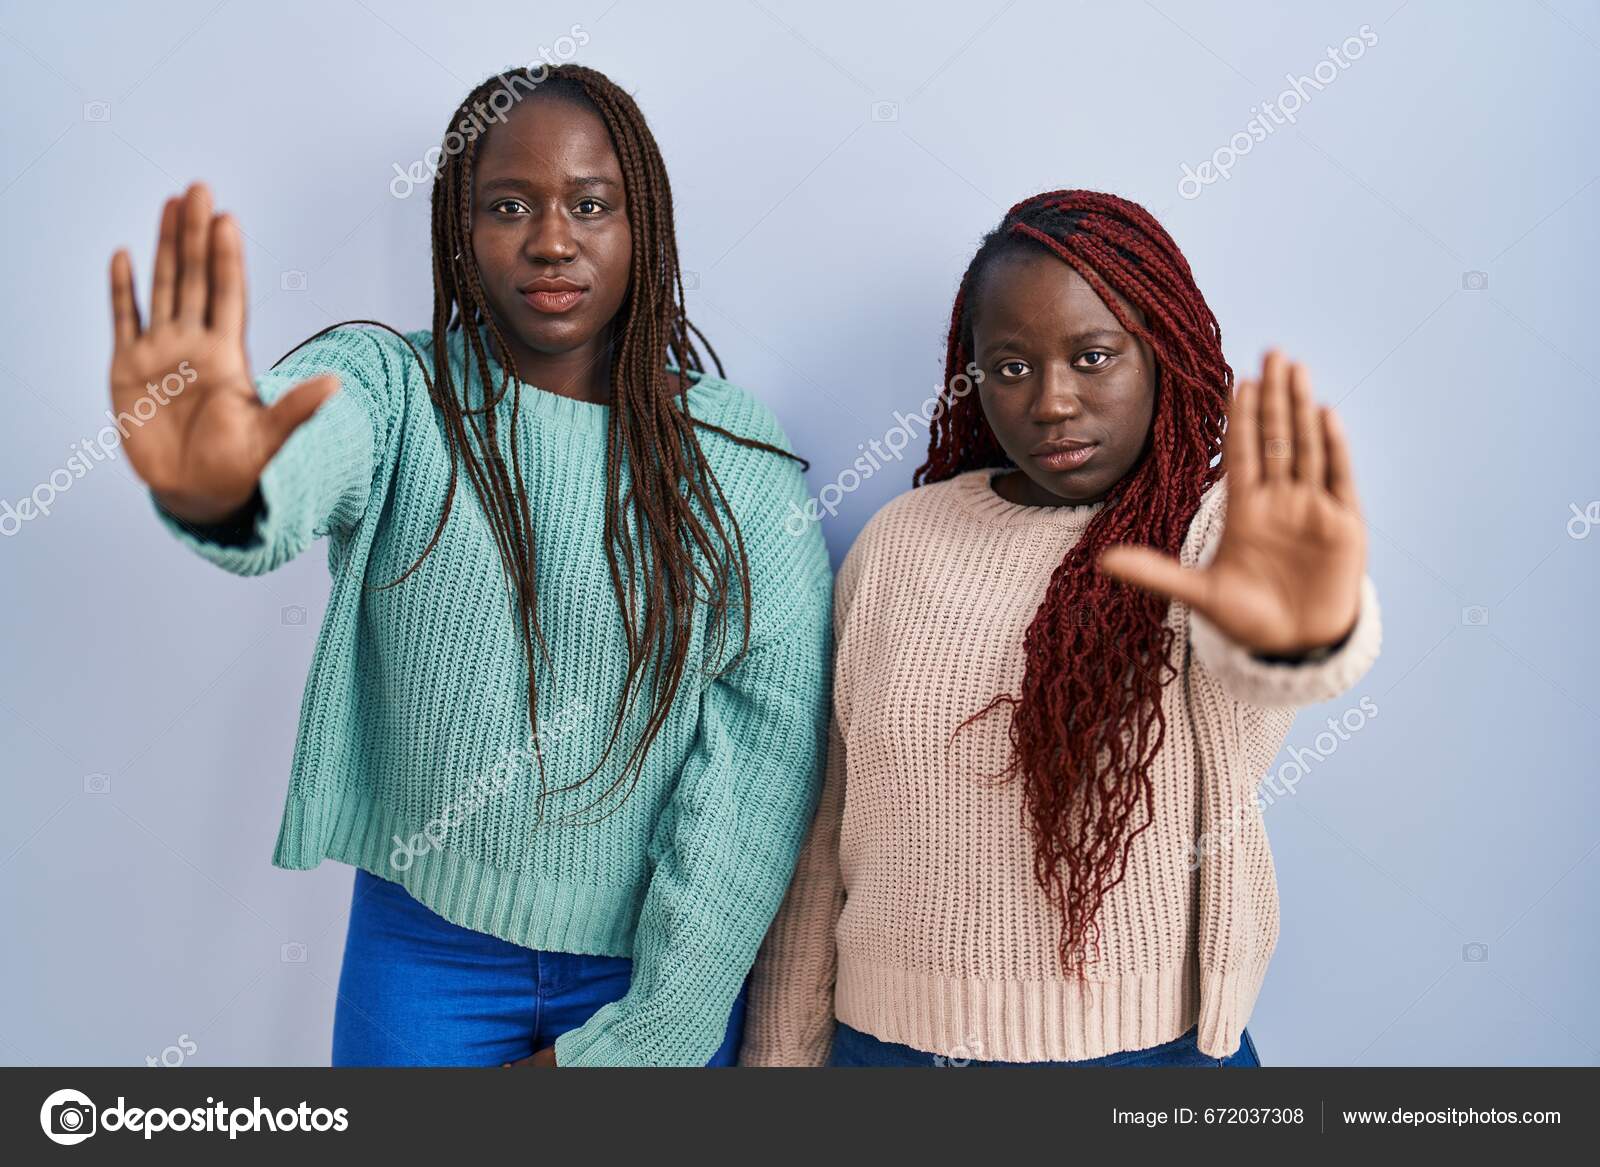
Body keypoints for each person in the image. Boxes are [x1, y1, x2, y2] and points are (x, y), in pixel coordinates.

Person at [106, 64, 832, 1067]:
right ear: (459, 228)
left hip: (651, 966)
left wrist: (655, 1031)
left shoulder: (734, 459)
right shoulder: (394, 388)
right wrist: (223, 482)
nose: (550, 239)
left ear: (644, 228)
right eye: (507, 205)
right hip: (422, 946)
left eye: (591, 204)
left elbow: (763, 771)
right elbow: (307, 446)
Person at [741, 190, 1381, 1067]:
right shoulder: (899, 541)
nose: (1052, 401)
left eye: (1093, 356)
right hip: (884, 1052)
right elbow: (826, 828)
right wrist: (779, 1058)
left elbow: (1273, 675)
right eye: (1010, 366)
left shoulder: (1209, 535)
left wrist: (1308, 628)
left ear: (1162, 352)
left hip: (1144, 1057)